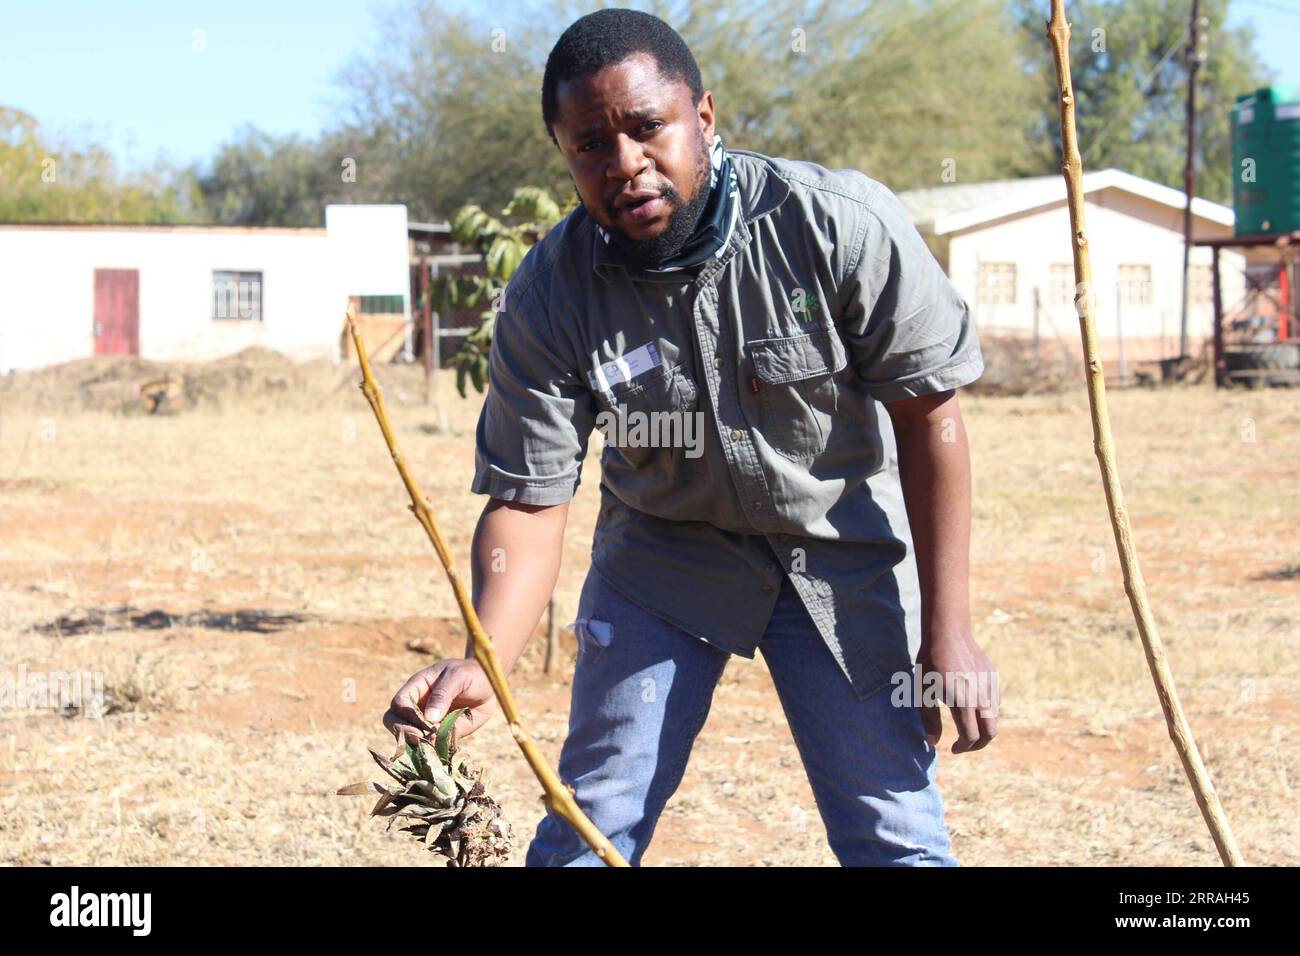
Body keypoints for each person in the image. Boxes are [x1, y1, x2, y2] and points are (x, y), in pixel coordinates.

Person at [383, 7, 999, 867]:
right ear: (565, 155)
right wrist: (487, 654)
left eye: (647, 128)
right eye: (591, 145)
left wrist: (950, 630)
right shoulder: (550, 295)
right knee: (591, 827)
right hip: (661, 568)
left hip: (836, 553)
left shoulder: (834, 224)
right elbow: (529, 497)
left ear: (703, 117)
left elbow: (930, 419)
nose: (626, 164)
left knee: (892, 834)